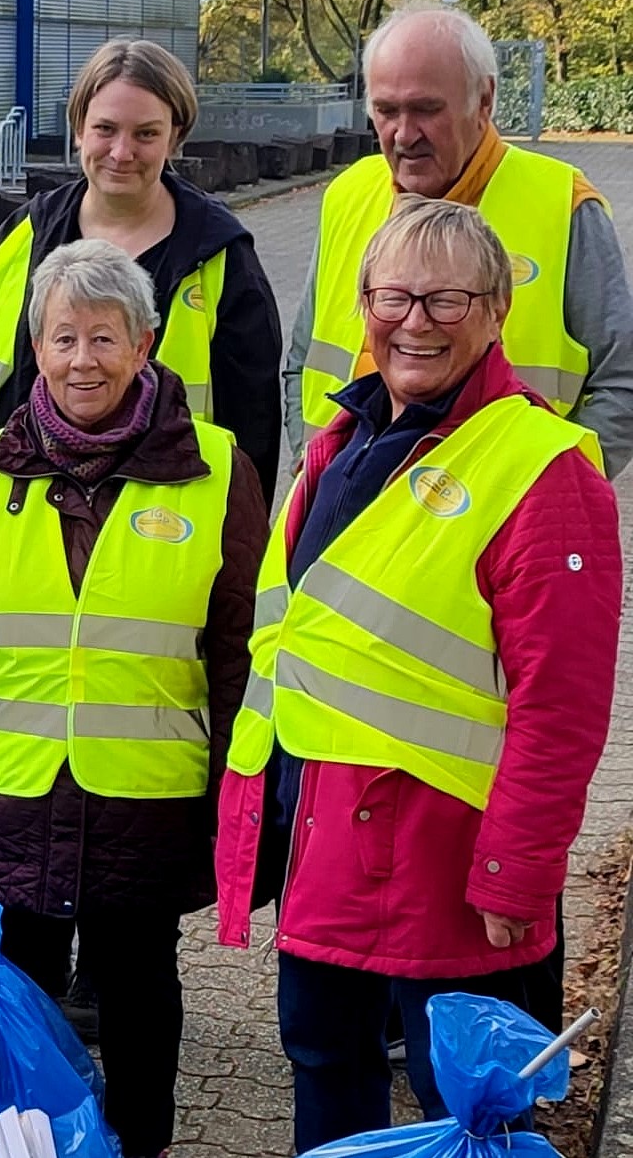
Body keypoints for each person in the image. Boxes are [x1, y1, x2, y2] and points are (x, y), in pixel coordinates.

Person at [215, 198, 620, 1153]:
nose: (415, 320)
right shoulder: (335, 444)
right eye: (393, 295)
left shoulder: (542, 467)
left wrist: (516, 871)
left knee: (466, 1104)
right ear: (361, 304)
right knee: (319, 1059)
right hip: (321, 838)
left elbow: (560, 708)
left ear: (495, 310)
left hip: (448, 865)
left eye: (447, 298)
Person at [0, 239, 267, 1158]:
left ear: (146, 344)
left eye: (104, 338)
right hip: (0, 787)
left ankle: (139, 1142)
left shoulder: (218, 471)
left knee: (138, 984)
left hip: (144, 786)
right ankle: (22, 1143)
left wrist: (240, 804)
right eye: (61, 338)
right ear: (36, 347)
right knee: (12, 991)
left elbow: (242, 656)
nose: (80, 360)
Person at [285, 1, 633, 479]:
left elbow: (622, 381)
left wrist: (557, 489)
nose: (404, 135)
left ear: (484, 101)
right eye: (386, 111)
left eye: (427, 110)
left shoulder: (563, 205)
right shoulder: (347, 194)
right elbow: (303, 358)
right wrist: (310, 465)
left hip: (497, 529)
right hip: (349, 503)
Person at [0, 38, 282, 501]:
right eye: (105, 129)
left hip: (164, 530)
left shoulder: (222, 258)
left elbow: (252, 425)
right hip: (21, 524)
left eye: (145, 134)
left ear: (175, 137)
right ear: (78, 128)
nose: (121, 153)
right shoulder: (22, 238)